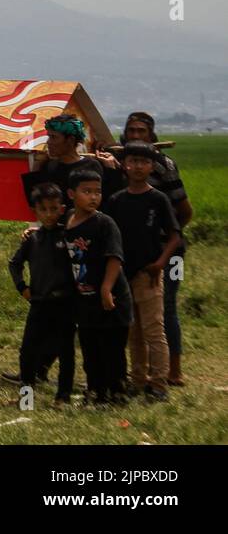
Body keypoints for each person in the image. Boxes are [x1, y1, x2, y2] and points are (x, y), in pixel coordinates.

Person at [122, 112, 193, 386]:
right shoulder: (122, 164)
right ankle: (142, 374)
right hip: (137, 256)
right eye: (131, 131)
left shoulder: (164, 165)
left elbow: (185, 211)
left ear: (152, 136)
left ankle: (173, 371)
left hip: (170, 253)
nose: (136, 136)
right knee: (137, 316)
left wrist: (164, 237)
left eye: (141, 131)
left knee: (167, 307)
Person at [108, 142, 180, 401]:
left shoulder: (158, 199)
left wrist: (160, 263)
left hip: (149, 275)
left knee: (154, 331)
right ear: (125, 166)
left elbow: (174, 236)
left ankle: (159, 384)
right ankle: (138, 381)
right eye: (133, 161)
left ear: (152, 166)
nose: (138, 166)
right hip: (124, 276)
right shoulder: (117, 200)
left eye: (144, 161)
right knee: (133, 332)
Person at [64, 167, 132, 405]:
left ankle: (117, 393)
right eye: (87, 191)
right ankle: (95, 391)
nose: (94, 197)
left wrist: (106, 288)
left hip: (112, 298)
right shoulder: (68, 221)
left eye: (97, 192)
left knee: (112, 348)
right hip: (85, 299)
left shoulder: (104, 223)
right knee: (90, 347)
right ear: (72, 194)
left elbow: (115, 257)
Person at [8, 182, 75, 406]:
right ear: (35, 211)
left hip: (65, 303)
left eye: (54, 209)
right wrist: (22, 288)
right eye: (44, 210)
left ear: (62, 209)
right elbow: (14, 264)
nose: (49, 214)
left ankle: (63, 396)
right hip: (39, 302)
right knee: (28, 350)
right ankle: (26, 397)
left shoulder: (69, 237)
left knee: (66, 351)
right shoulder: (32, 240)